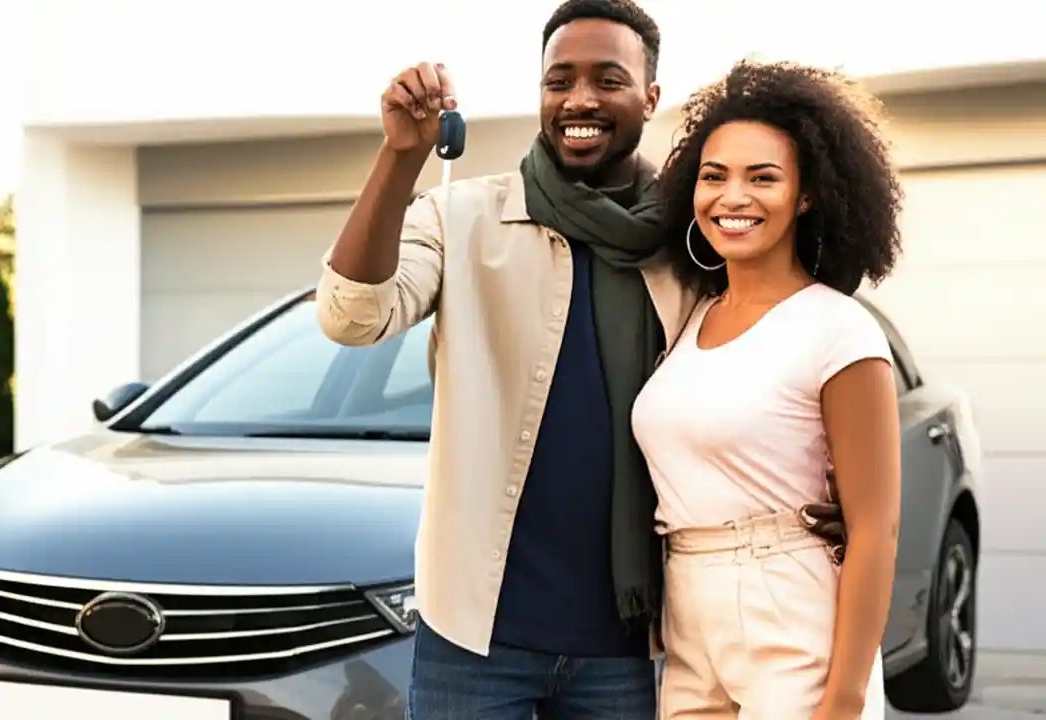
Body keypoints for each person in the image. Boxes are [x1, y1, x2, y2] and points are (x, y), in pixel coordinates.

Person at [315, 1, 843, 716]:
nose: (580, 100)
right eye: (558, 81)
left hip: (630, 643)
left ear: (650, 97)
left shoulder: (691, 246)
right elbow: (351, 316)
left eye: (608, 80)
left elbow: (781, 364)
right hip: (474, 635)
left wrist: (827, 484)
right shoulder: (462, 217)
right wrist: (401, 156)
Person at [630, 59, 904, 719]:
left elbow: (877, 528)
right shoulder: (693, 316)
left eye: (763, 177)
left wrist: (844, 698)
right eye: (714, 176)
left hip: (788, 609)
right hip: (689, 613)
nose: (733, 197)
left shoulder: (838, 330)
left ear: (806, 194)